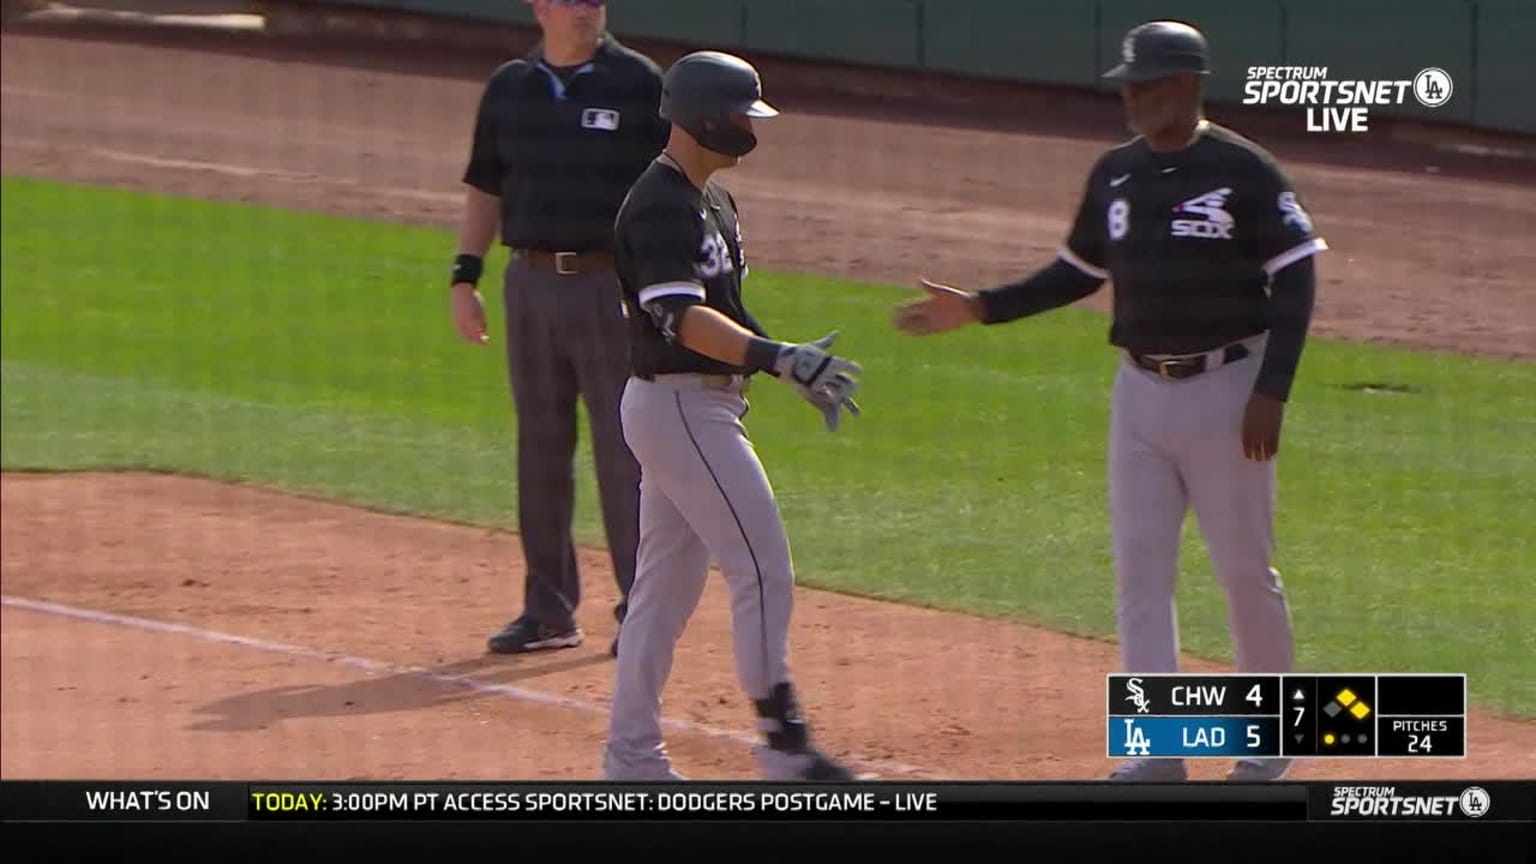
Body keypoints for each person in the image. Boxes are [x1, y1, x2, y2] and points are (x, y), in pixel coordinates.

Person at [893, 20, 1326, 783]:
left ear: (1188, 86)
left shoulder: (1245, 171)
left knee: (1243, 569)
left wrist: (1272, 391)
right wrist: (981, 307)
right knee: (1140, 572)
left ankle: (1268, 737)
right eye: (1127, 85)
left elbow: (1295, 281)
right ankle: (1159, 749)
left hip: (1229, 388)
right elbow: (1075, 273)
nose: (1131, 97)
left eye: (1146, 84)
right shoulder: (1116, 172)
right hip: (1138, 393)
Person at [599, 50, 864, 782]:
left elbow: (728, 314)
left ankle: (629, 758)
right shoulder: (657, 204)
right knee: (761, 566)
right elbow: (681, 318)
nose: (752, 128)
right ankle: (783, 744)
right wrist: (781, 357)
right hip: (679, 406)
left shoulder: (712, 199)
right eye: (743, 115)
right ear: (706, 116)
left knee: (664, 587)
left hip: (696, 405)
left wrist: (785, 367)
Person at [450, 0, 670, 657]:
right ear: (540, 6)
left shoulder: (638, 82)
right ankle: (547, 610)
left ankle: (644, 608)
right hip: (529, 283)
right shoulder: (510, 87)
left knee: (624, 453)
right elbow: (486, 188)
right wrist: (466, 276)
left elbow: (675, 188)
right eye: (574, 0)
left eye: (596, 1)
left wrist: (656, 284)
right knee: (540, 452)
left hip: (611, 288)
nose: (588, 10)